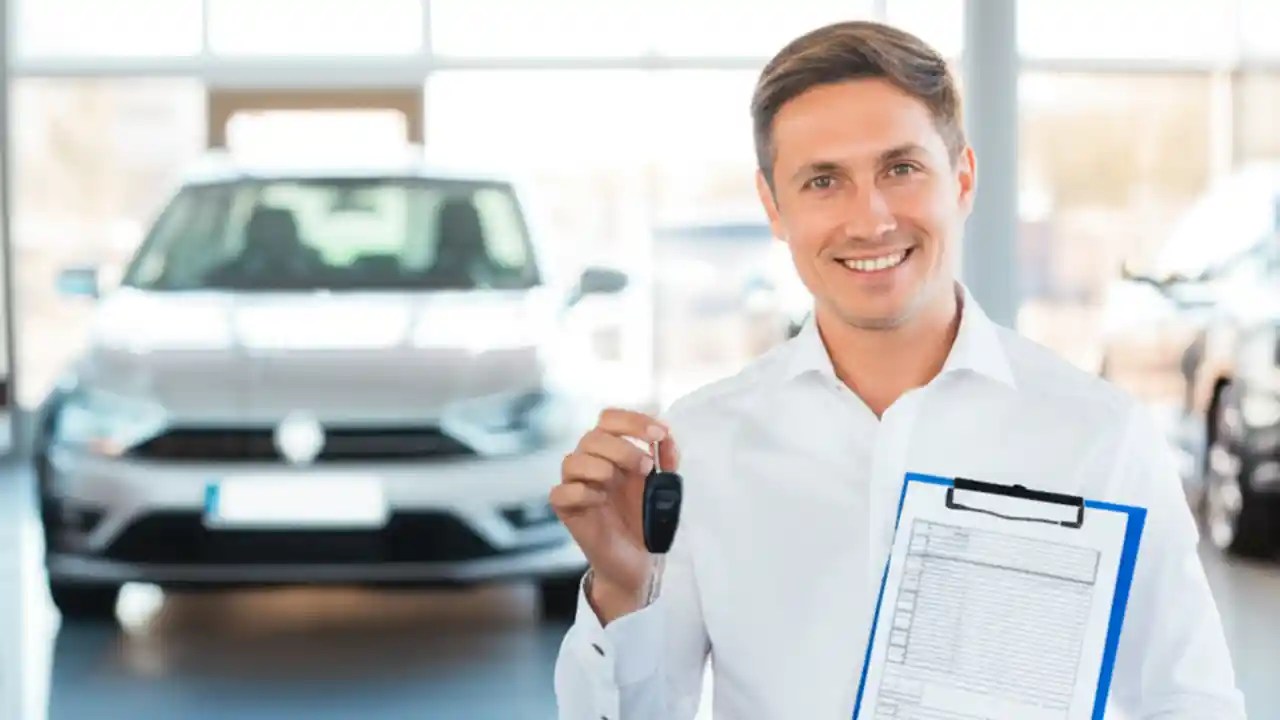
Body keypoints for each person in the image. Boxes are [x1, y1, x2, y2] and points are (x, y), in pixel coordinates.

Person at [550, 20, 1246, 720]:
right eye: (824, 181)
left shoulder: (1100, 435)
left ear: (963, 178)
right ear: (774, 207)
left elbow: (1189, 703)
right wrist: (622, 589)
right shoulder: (698, 443)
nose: (871, 218)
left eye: (901, 169)